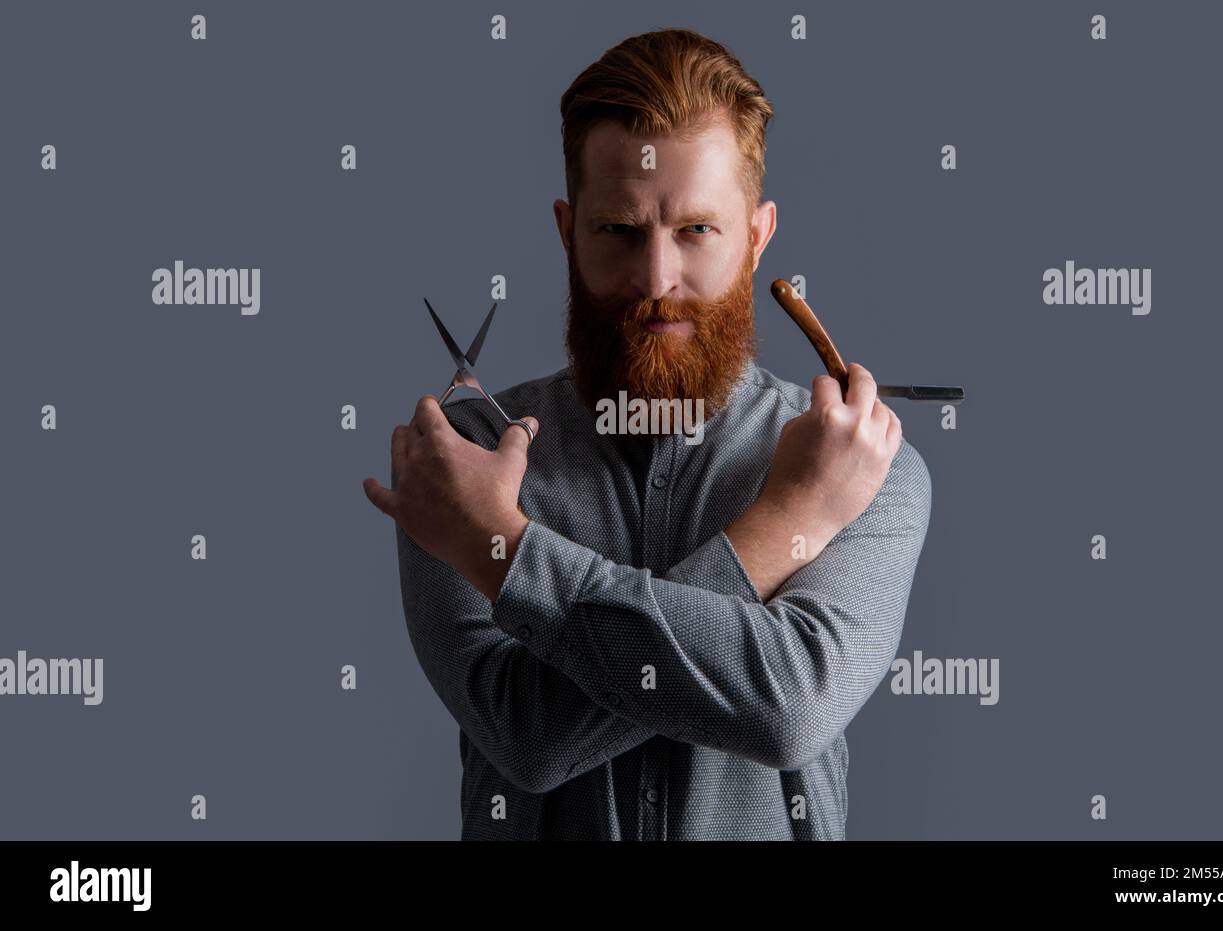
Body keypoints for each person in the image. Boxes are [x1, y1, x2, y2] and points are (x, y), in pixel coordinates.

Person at [362, 27, 932, 840]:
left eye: (696, 230)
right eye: (619, 230)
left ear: (757, 236)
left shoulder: (869, 468)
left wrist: (507, 550)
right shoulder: (461, 460)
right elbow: (528, 735)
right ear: (568, 231)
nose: (656, 279)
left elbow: (787, 709)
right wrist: (784, 527)